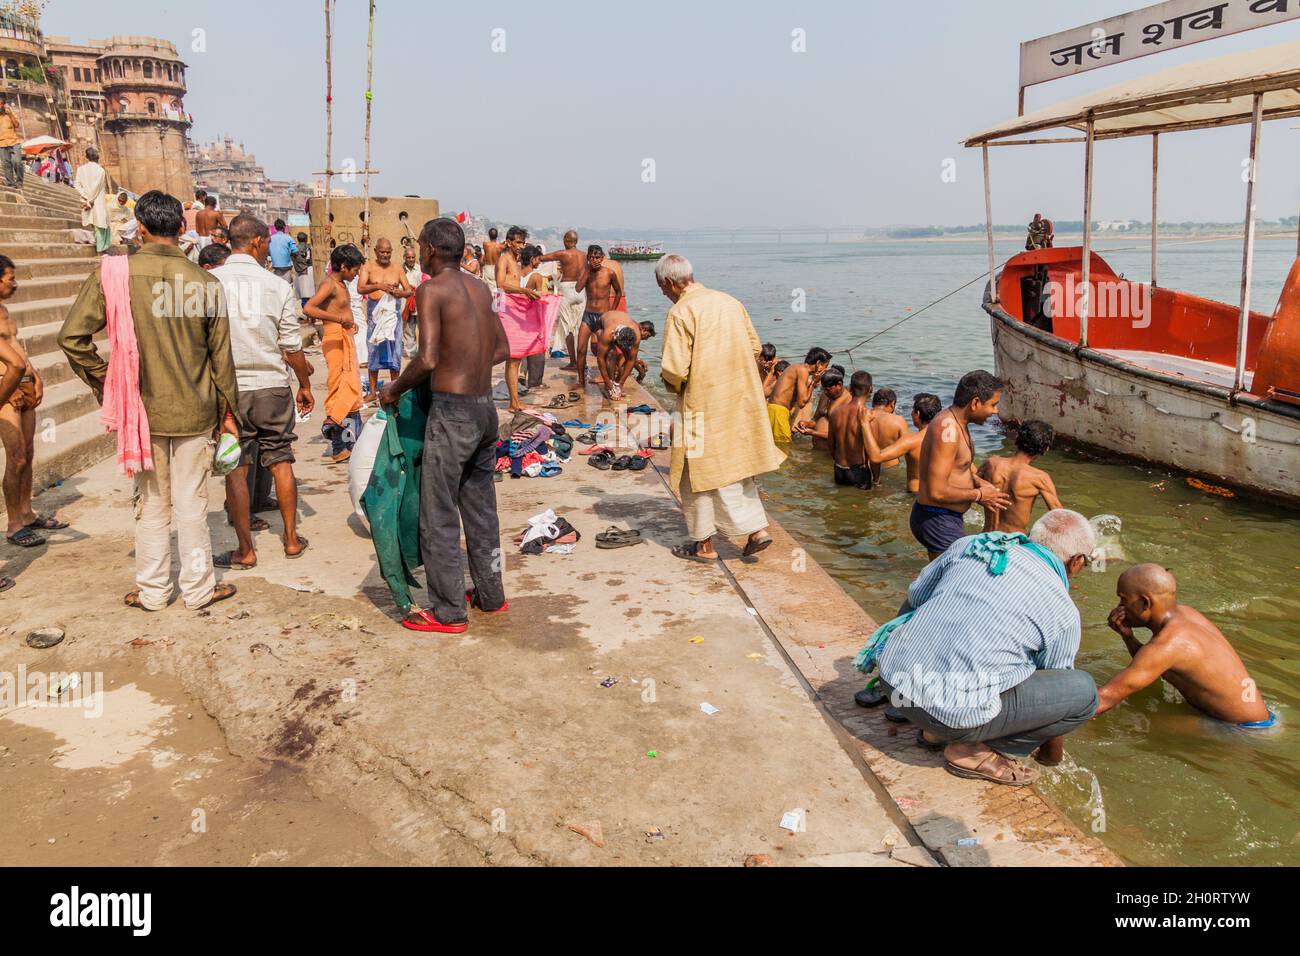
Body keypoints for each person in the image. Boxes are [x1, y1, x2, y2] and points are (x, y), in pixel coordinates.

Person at [59, 190, 239, 612]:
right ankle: (198, 590)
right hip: (196, 411)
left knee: (151, 504)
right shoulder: (206, 283)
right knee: (193, 505)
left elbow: (71, 339)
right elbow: (221, 362)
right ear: (181, 228)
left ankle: (154, 592)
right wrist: (227, 415)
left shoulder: (114, 275)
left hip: (142, 412)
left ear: (139, 228)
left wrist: (108, 382)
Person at [875, 509, 1101, 785]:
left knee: (923, 605)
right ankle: (970, 749)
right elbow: (1057, 685)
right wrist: (1051, 755)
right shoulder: (1063, 610)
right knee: (1084, 693)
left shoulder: (974, 545)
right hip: (947, 715)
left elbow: (917, 597)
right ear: (1076, 562)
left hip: (892, 683)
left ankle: (928, 724)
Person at [377, 218, 509, 634]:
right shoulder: (480, 288)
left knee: (438, 513)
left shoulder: (430, 290)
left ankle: (449, 611)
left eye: (418, 245)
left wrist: (394, 389)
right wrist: (470, 366)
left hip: (452, 413)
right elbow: (503, 347)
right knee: (481, 508)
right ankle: (491, 595)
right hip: (486, 409)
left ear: (431, 249)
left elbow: (429, 358)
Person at [657, 255, 784, 562]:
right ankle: (757, 531)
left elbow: (674, 369)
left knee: (696, 473)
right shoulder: (730, 301)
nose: (664, 293)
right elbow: (755, 348)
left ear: (671, 283)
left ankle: (704, 547)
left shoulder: (681, 311)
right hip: (738, 400)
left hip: (702, 403)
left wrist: (673, 383)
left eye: (662, 288)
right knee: (735, 467)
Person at [211, 214, 314, 571]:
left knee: (236, 468)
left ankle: (245, 549)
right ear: (256, 242)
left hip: (229, 390)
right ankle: (290, 539)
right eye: (267, 242)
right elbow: (291, 345)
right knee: (280, 459)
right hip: (271, 386)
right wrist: (304, 384)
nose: (269, 247)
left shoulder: (210, 281)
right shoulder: (277, 286)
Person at [1095, 565, 1274, 727]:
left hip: (1240, 730)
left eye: (1123, 600)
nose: (1119, 607)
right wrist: (1128, 638)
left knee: (1146, 724)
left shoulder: (1169, 644)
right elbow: (1157, 666)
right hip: (1262, 717)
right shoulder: (1188, 614)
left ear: (1145, 603)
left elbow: (1105, 699)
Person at [0, 253, 65, 555]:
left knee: (27, 452)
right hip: (6, 392)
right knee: (15, 458)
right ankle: (14, 524)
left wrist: (35, 374)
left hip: (24, 385)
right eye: (10, 278)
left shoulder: (4, 311)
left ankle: (27, 512)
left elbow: (17, 348)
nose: (15, 284)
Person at [912, 370, 1010, 560]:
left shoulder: (957, 423)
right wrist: (979, 495)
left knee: (943, 579)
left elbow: (957, 469)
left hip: (942, 517)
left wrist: (978, 481)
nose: (995, 411)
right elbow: (936, 491)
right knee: (960, 580)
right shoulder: (948, 429)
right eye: (993, 404)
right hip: (937, 519)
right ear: (975, 403)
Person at [304, 244, 364, 463]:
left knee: (349, 388)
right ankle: (338, 442)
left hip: (344, 337)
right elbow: (309, 308)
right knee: (340, 390)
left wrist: (349, 323)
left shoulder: (341, 284)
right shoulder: (330, 284)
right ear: (343, 266)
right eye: (354, 269)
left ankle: (348, 444)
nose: (356, 273)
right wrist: (340, 320)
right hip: (334, 339)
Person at [977, 420, 1063, 534]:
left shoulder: (991, 463)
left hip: (985, 537)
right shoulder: (1040, 477)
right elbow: (1060, 516)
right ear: (1045, 449)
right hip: (1013, 543)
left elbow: (967, 483)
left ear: (1017, 438)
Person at [860, 392, 942, 493]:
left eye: (913, 410)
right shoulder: (948, 438)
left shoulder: (912, 440)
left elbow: (876, 457)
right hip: (940, 494)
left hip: (917, 496)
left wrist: (865, 423)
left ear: (918, 413)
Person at [575, 245, 622, 389]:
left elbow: (619, 292)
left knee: (609, 351)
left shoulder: (609, 273)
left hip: (603, 317)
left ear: (602, 258)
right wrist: (587, 270)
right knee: (581, 349)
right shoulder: (587, 273)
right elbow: (578, 288)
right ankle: (581, 382)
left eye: (597, 257)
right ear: (588, 258)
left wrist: (612, 312)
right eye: (591, 257)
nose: (594, 260)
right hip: (588, 315)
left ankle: (609, 381)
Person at [540, 230, 586, 366]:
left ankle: (573, 362)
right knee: (579, 328)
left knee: (567, 328)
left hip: (567, 288)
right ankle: (582, 362)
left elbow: (543, 258)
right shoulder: (584, 255)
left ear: (567, 241)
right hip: (581, 290)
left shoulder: (562, 253)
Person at [767, 347, 830, 443]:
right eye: (826, 366)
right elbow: (801, 403)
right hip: (778, 411)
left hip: (777, 410)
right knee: (783, 446)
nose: (826, 369)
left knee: (780, 445)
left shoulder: (798, 367)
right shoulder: (803, 370)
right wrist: (813, 383)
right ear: (818, 364)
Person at [826, 370, 874, 490]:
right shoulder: (867, 415)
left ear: (850, 388)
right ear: (870, 389)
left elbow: (831, 445)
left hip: (839, 469)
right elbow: (871, 451)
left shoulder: (835, 413)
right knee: (862, 506)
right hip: (858, 470)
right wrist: (876, 478)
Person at [592, 311, 655, 400]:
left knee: (626, 357)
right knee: (611, 354)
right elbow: (600, 359)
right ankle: (609, 385)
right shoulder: (608, 333)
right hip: (600, 324)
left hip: (620, 325)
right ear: (615, 337)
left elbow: (631, 360)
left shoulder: (636, 335)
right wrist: (607, 381)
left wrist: (620, 384)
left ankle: (615, 385)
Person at [794, 367, 847, 444]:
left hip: (830, 452)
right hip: (817, 450)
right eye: (823, 389)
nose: (825, 392)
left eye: (828, 389)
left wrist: (813, 433)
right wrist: (806, 424)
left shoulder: (848, 401)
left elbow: (840, 435)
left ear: (839, 384)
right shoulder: (825, 395)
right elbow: (815, 419)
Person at [73, 147, 111, 254]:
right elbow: (96, 187)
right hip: (97, 201)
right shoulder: (100, 170)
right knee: (100, 224)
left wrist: (85, 197)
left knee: (95, 224)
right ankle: (101, 250)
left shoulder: (81, 169)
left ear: (86, 157)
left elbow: (76, 185)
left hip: (87, 200)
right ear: (97, 157)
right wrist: (90, 200)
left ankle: (99, 248)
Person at [866, 387, 908, 482]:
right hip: (891, 469)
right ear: (892, 404)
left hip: (867, 469)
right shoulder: (898, 421)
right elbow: (908, 451)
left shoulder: (863, 418)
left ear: (873, 402)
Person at [0, 97, 21, 188]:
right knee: (6, 165)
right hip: (1, 143)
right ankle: (11, 183)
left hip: (14, 142)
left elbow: (16, 125)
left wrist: (10, 114)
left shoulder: (10, 114)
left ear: (3, 105)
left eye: (0, 104)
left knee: (17, 162)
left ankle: (19, 182)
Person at [268, 218, 296, 284]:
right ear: (284, 227)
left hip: (276, 268)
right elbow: (295, 251)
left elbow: (268, 252)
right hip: (287, 268)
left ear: (275, 227)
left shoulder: (270, 239)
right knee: (287, 287)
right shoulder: (288, 238)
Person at [293, 232, 315, 308]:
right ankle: (310, 315)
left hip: (299, 272)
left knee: (303, 294)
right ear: (306, 239)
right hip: (308, 271)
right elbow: (308, 260)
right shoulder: (309, 248)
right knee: (310, 293)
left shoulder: (294, 249)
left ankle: (306, 313)